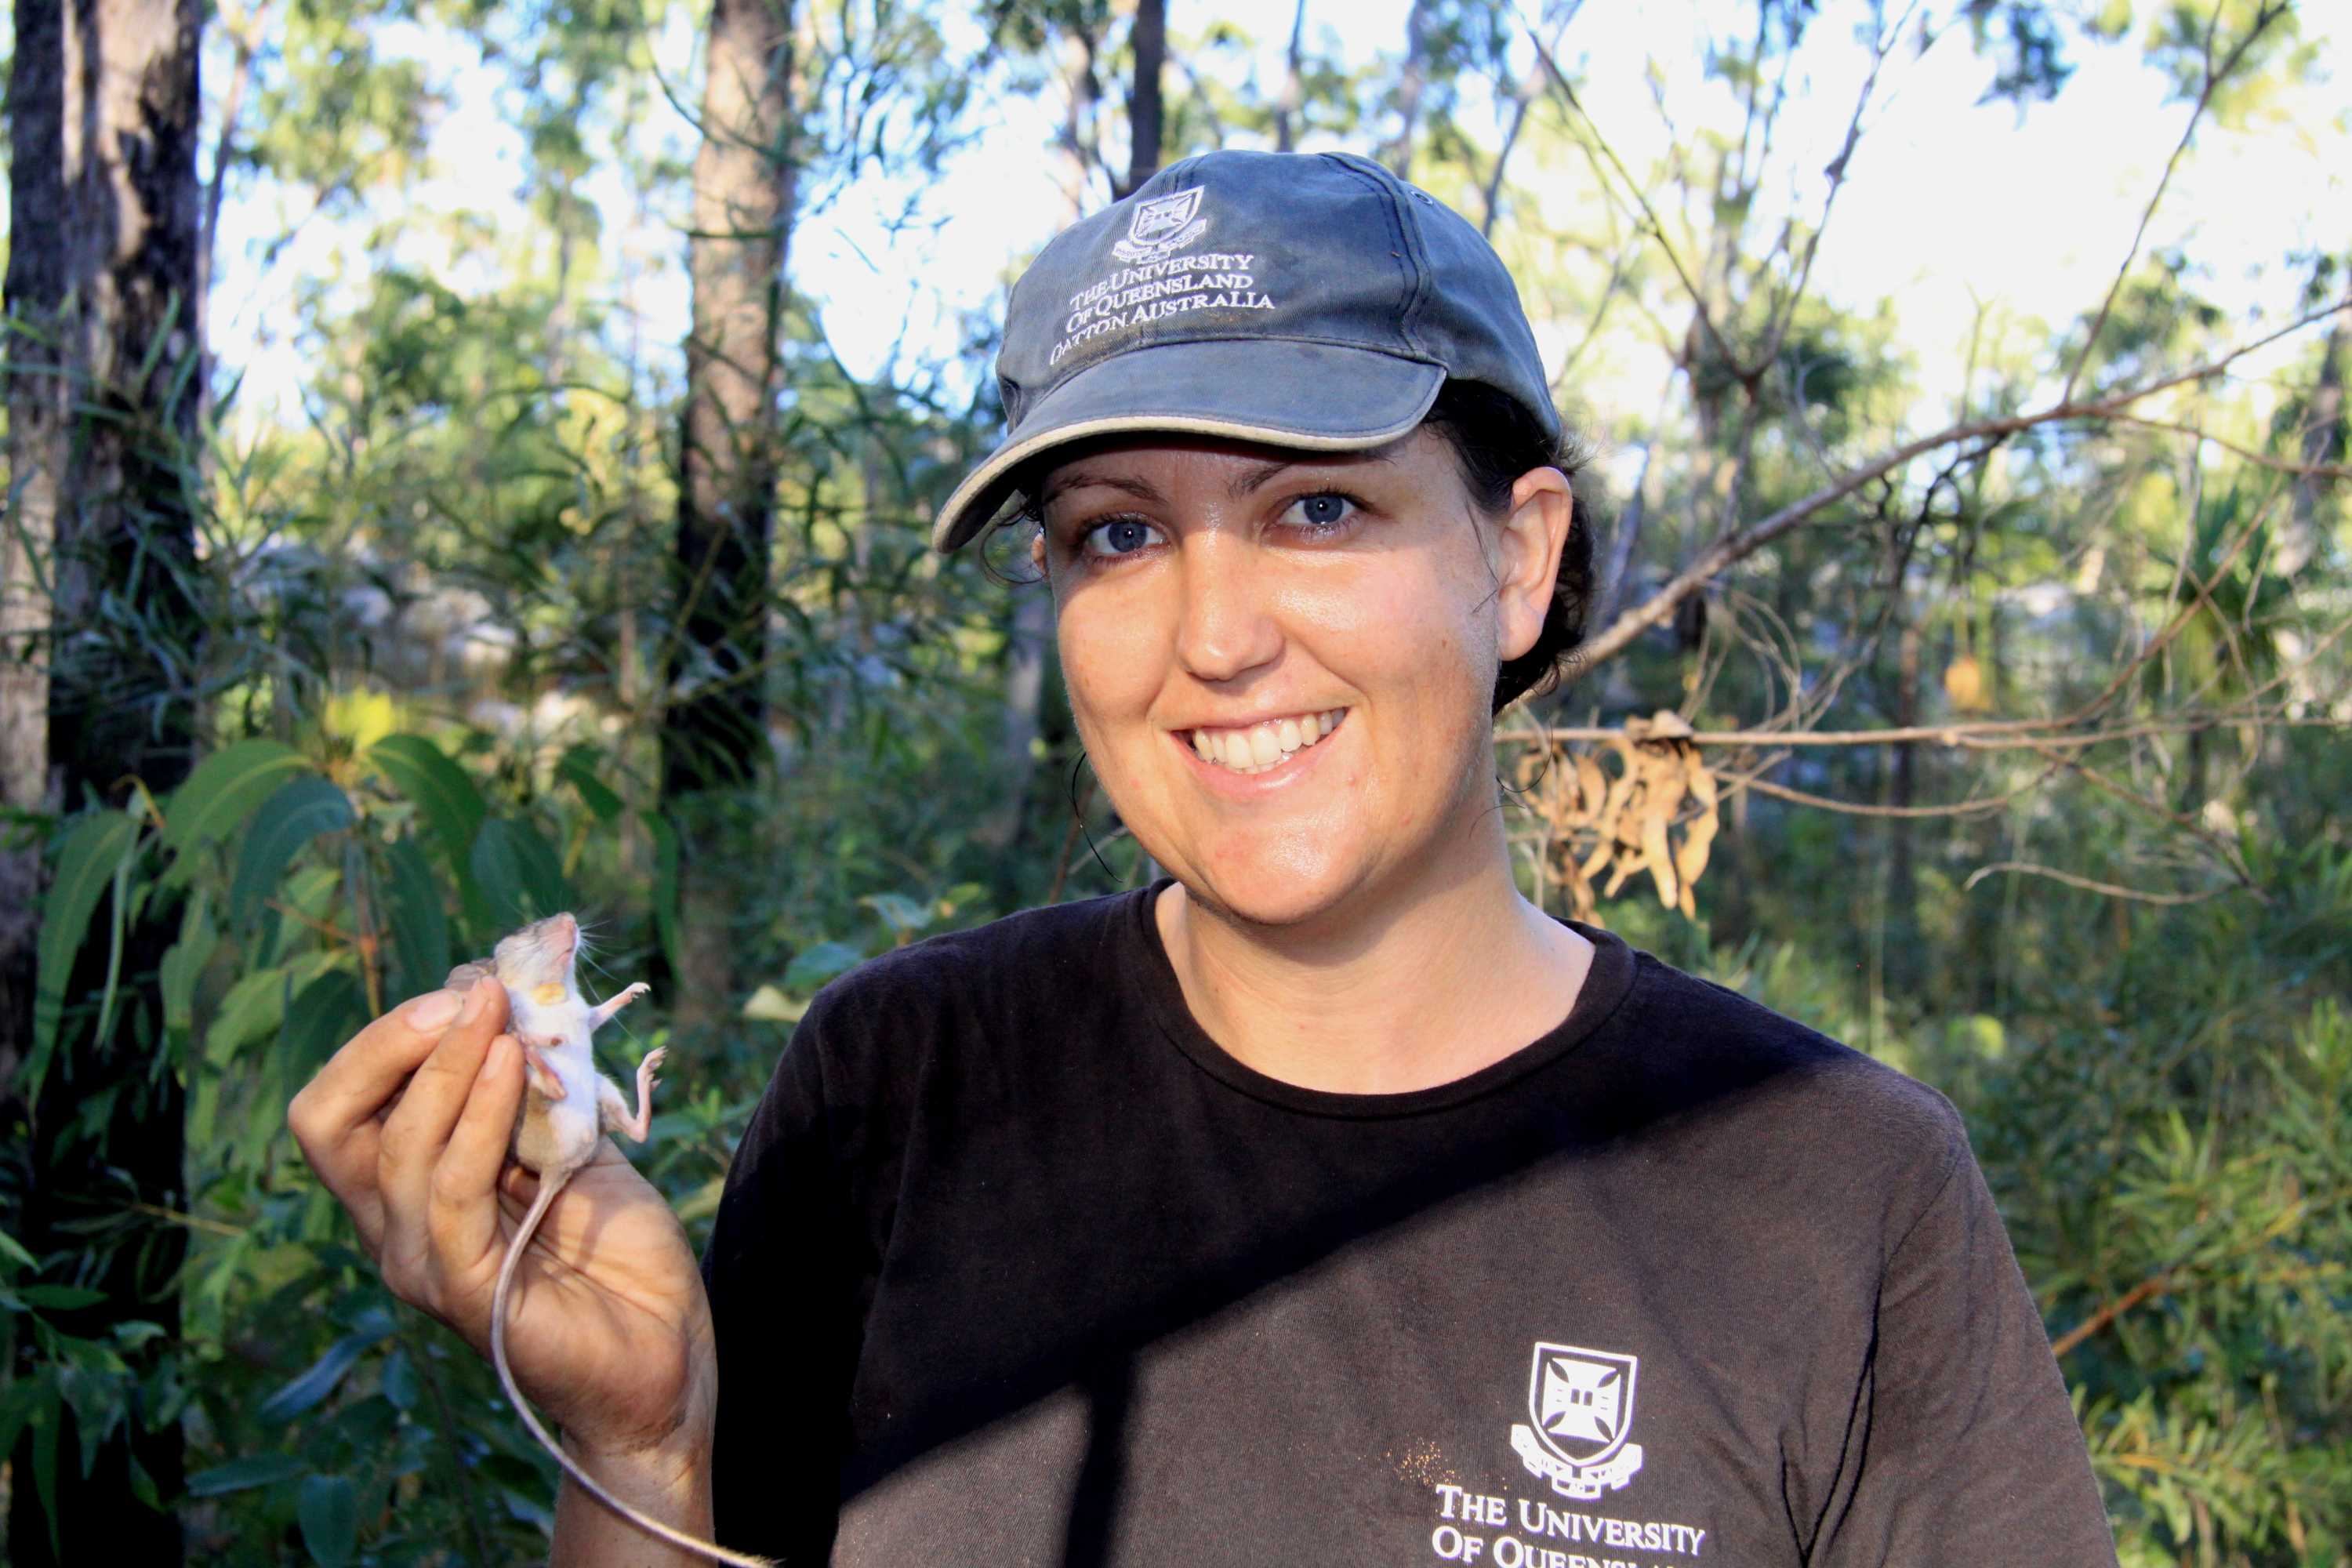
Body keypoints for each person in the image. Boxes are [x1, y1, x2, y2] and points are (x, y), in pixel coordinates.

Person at [288, 150, 2118, 1566]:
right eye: (1116, 533)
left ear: (1520, 556)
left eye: (1317, 505)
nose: (1215, 637)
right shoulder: (898, 1085)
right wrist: (636, 1440)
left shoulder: (1832, 1194)